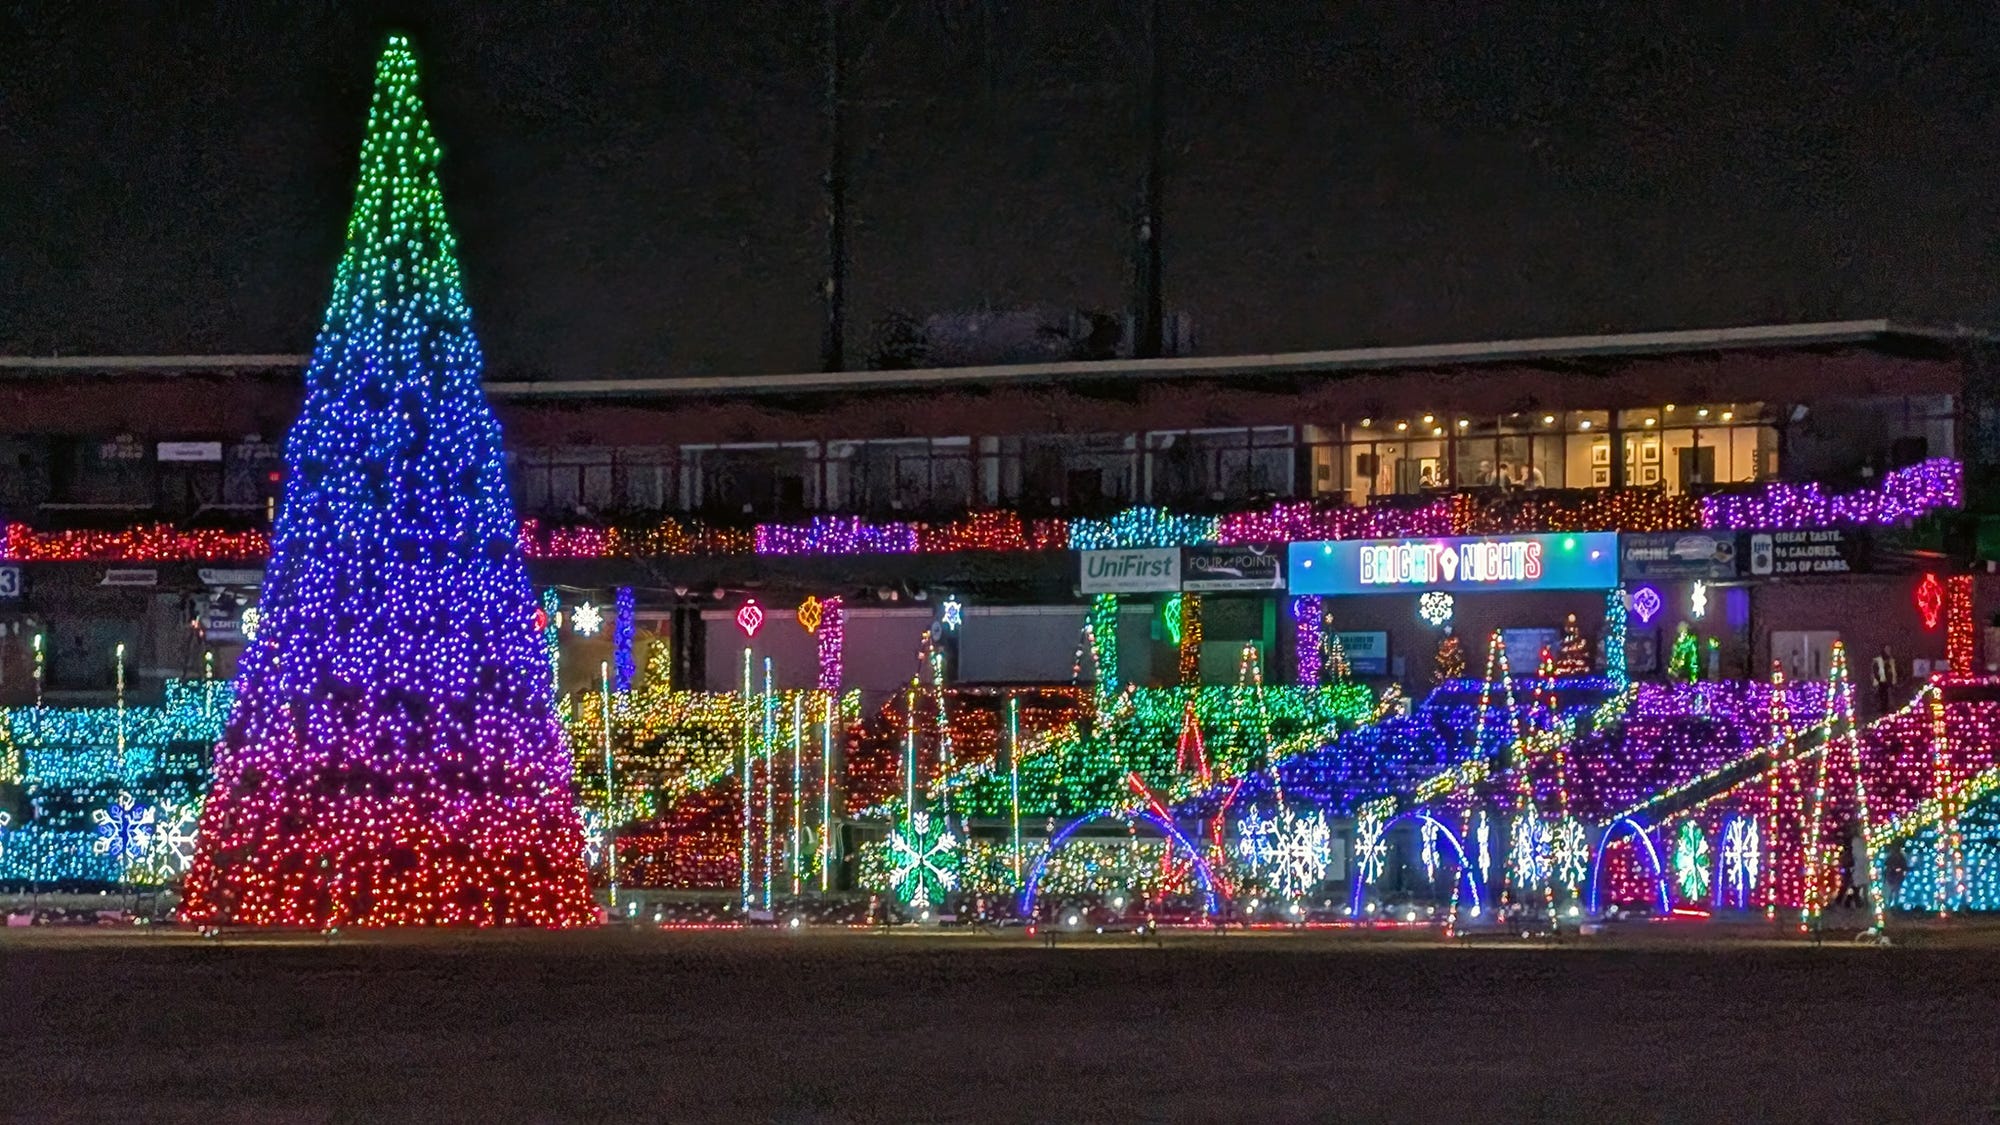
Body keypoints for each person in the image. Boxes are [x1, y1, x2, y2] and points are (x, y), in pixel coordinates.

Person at [1872, 645, 1899, 713]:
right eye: (1887, 649)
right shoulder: (1878, 660)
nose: (1889, 651)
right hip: (1881, 684)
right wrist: (1879, 681)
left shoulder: (1892, 660)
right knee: (1883, 702)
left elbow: (1894, 672)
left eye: (1889, 649)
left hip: (1890, 684)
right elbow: (1875, 672)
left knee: (1890, 701)